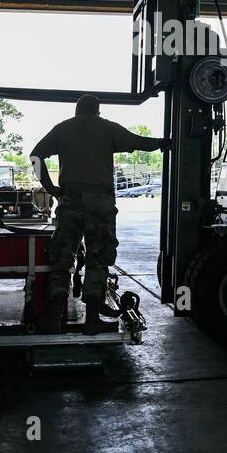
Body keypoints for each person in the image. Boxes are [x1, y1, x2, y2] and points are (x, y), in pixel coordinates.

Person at [30, 95, 170, 335]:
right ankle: (92, 320)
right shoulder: (107, 128)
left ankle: (54, 318)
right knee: (98, 257)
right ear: (97, 111)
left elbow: (35, 155)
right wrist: (163, 143)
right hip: (100, 203)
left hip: (70, 200)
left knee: (62, 257)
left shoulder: (62, 128)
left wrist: (51, 188)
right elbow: (138, 142)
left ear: (77, 111)